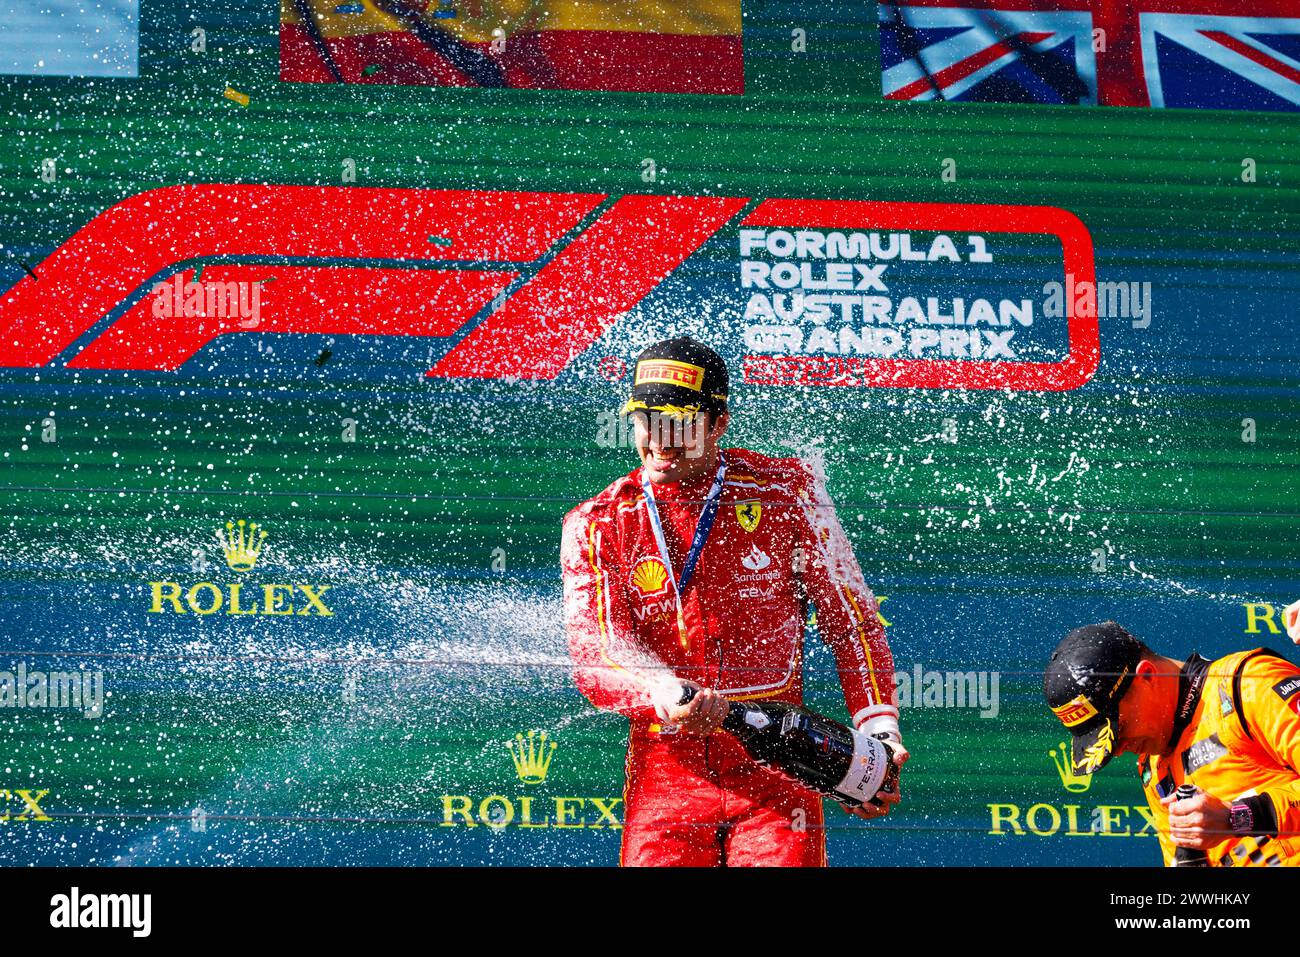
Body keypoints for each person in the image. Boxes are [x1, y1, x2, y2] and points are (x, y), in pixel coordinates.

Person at [562, 336, 906, 867]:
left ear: (718, 423)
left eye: (679, 422)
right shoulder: (599, 521)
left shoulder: (787, 492)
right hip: (667, 771)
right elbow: (596, 649)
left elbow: (851, 618)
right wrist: (660, 687)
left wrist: (877, 724)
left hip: (777, 764)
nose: (659, 440)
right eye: (645, 421)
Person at [1043, 620, 1300, 866]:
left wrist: (1235, 817)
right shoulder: (1153, 769)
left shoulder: (1250, 685)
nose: (1119, 750)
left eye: (1120, 729)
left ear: (1146, 675)